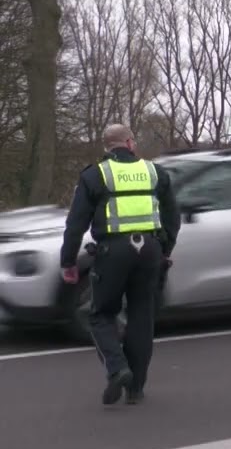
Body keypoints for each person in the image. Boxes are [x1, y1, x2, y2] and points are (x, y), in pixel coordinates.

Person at [61, 123, 180, 406]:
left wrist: (68, 261)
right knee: (141, 316)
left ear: (107, 146)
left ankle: (117, 368)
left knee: (101, 314)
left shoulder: (95, 175)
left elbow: (75, 223)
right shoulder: (155, 172)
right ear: (129, 143)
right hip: (149, 250)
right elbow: (172, 216)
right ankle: (136, 389)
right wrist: (165, 249)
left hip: (111, 252)